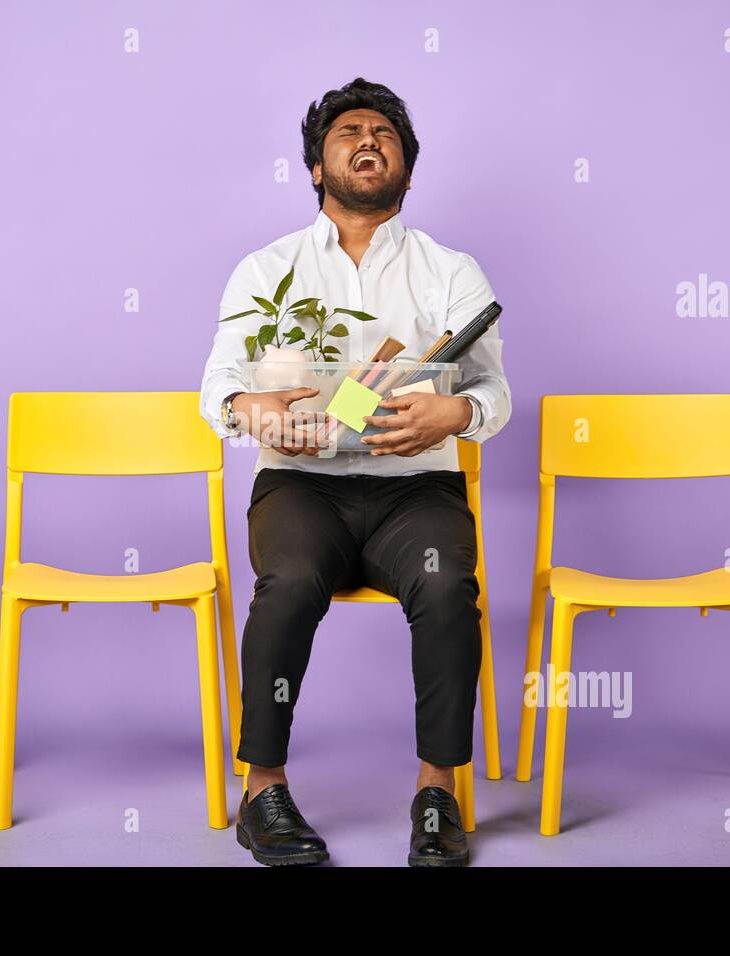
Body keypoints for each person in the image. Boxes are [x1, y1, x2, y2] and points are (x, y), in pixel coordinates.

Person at [199, 77, 511, 866]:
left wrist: (459, 414)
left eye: (386, 134)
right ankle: (261, 789)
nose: (368, 140)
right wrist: (252, 409)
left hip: (419, 491)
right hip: (302, 488)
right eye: (349, 132)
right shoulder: (264, 269)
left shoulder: (452, 271)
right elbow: (216, 386)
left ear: (408, 167)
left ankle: (437, 791)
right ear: (316, 166)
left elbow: (494, 391)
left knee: (446, 586)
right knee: (291, 579)